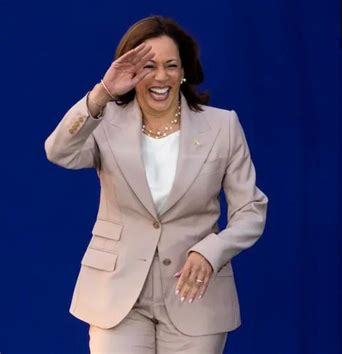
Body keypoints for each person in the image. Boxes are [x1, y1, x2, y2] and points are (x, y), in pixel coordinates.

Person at [44, 15, 268, 354]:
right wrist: (101, 94)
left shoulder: (223, 126)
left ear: (185, 72)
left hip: (194, 293)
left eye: (171, 65)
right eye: (148, 66)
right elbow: (59, 152)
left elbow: (250, 211)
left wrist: (211, 252)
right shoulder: (104, 121)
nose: (161, 76)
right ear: (131, 72)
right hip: (117, 295)